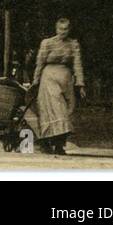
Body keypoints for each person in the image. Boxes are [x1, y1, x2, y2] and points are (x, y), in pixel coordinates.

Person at [31, 17, 86, 155]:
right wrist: (35, 81)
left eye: (66, 29)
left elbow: (77, 65)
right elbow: (40, 63)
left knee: (67, 111)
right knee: (55, 111)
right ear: (56, 29)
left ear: (69, 29)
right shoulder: (47, 43)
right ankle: (47, 143)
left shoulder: (73, 45)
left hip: (66, 80)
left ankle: (60, 145)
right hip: (49, 80)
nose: (63, 32)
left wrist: (80, 84)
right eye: (61, 29)